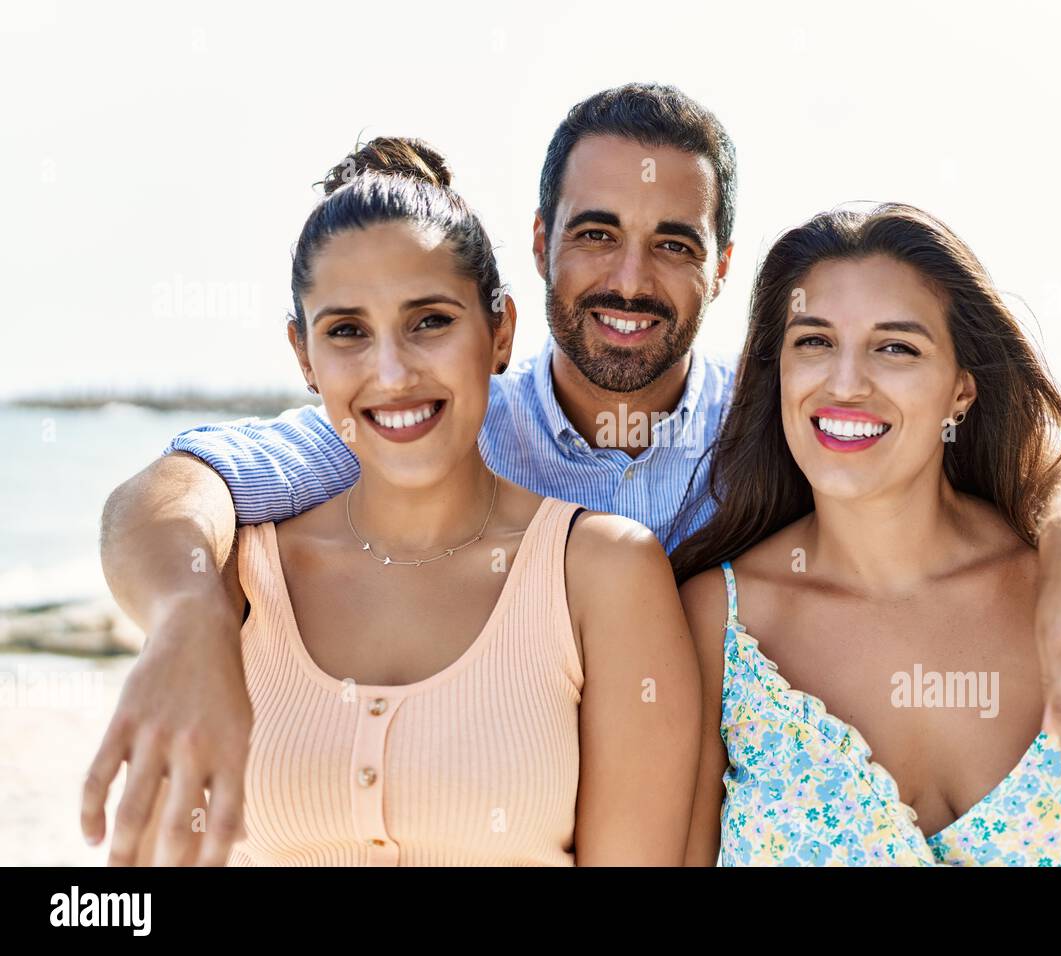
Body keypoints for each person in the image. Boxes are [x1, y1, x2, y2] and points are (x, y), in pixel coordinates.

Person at [85, 84, 1061, 866]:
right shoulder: (424, 418)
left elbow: (1031, 455)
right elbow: (174, 489)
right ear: (535, 247)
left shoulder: (773, 424)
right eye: (596, 233)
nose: (630, 275)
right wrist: (187, 615)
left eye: (673, 241)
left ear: (720, 266)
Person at [125, 137, 699, 865]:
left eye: (430, 321)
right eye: (347, 332)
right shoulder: (237, 581)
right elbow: (162, 494)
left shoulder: (604, 574)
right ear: (304, 357)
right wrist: (182, 621)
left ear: (500, 333)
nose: (391, 373)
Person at [674, 205, 1061, 866]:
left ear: (962, 390)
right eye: (813, 341)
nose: (845, 383)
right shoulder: (719, 625)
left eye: (896, 347)